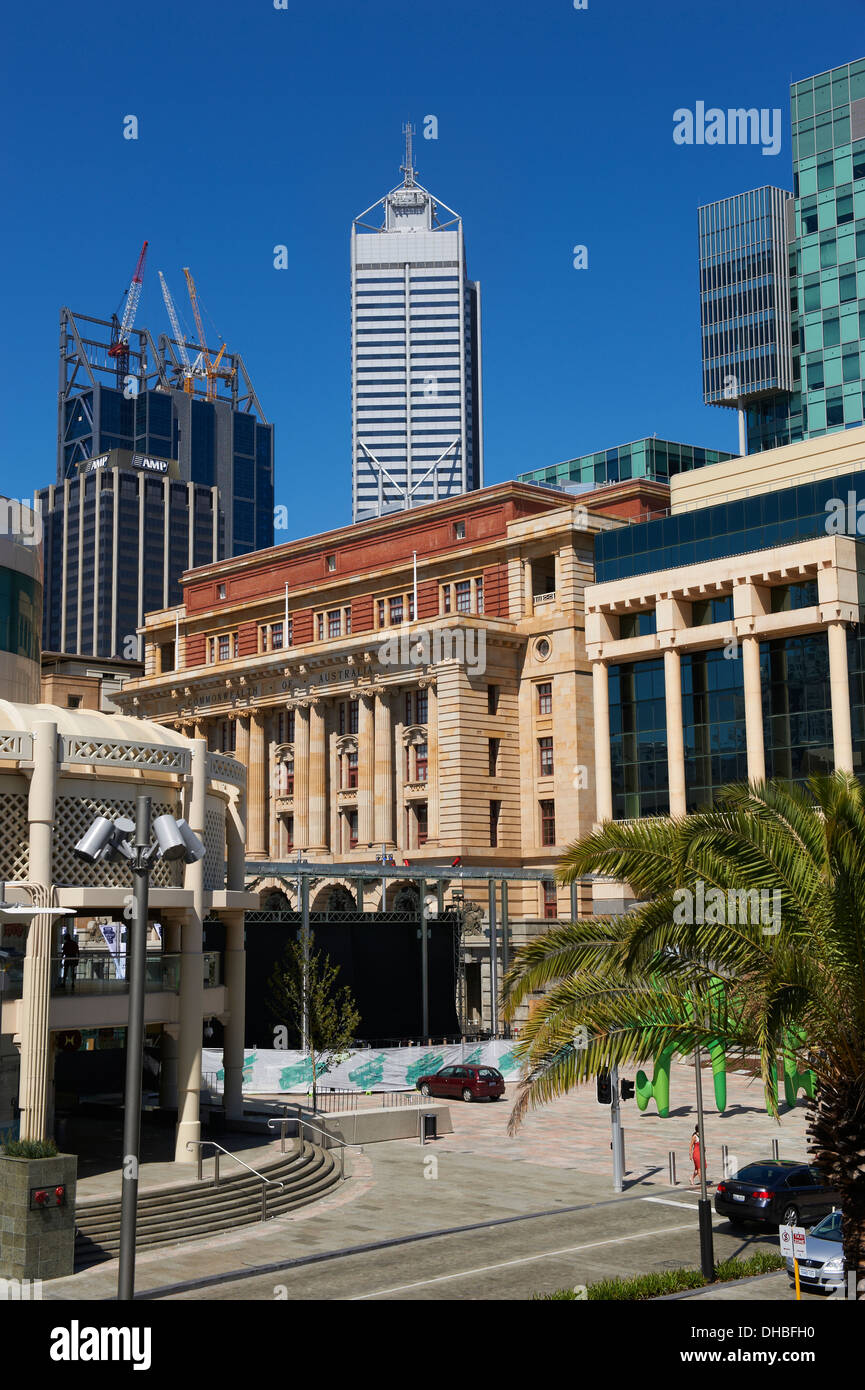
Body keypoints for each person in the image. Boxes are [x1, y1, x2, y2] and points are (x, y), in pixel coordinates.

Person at [60, 928, 79, 992]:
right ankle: (73, 983)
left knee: (65, 971)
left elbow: (64, 952)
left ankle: (64, 983)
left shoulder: (66, 944)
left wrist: (61, 959)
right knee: (72, 971)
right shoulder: (74, 943)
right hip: (73, 958)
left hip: (67, 958)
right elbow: (77, 952)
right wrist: (77, 959)